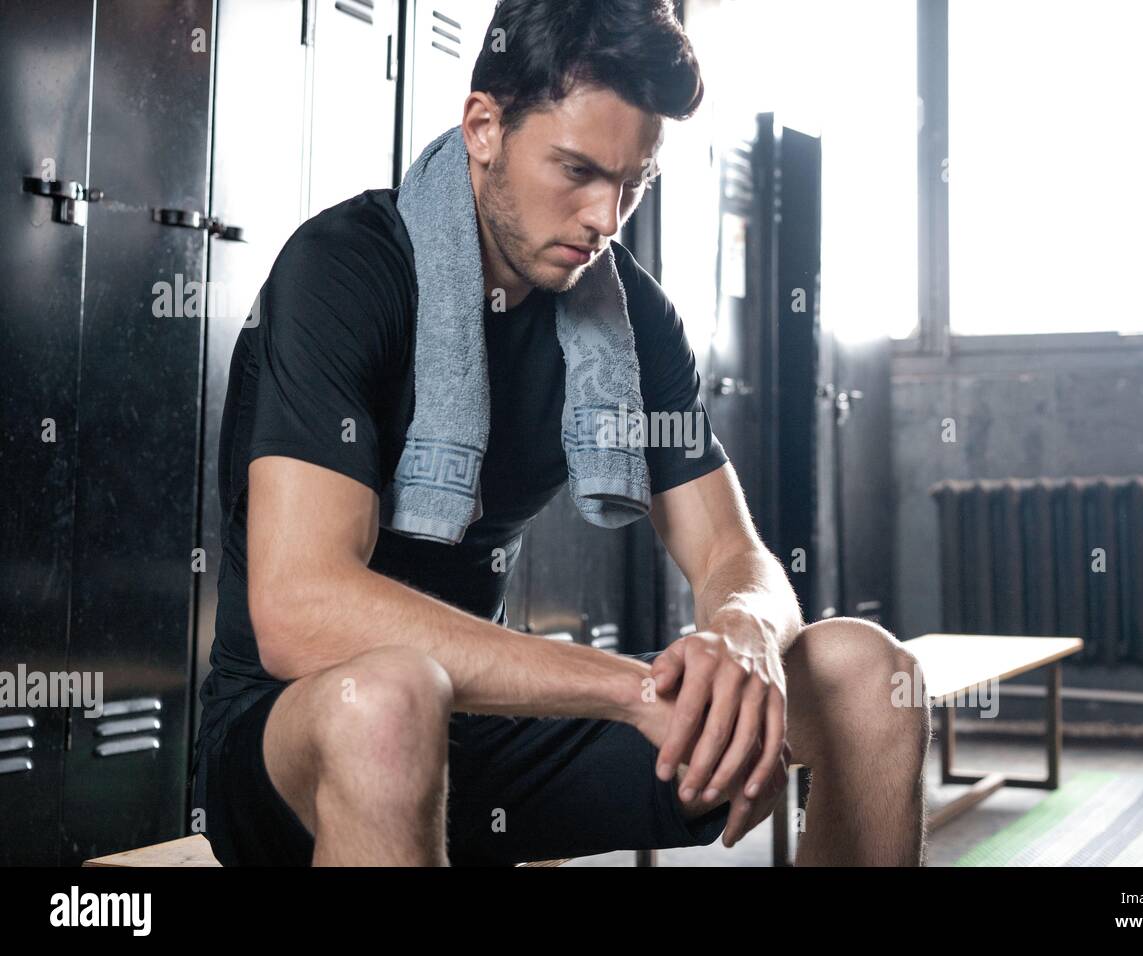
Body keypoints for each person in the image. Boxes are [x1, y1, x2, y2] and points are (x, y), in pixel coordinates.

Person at [190, 0, 930, 866]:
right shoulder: (346, 271)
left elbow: (736, 555)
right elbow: (299, 609)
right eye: (576, 171)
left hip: (493, 732)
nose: (604, 219)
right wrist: (628, 689)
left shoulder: (629, 319)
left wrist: (744, 633)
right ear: (483, 127)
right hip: (302, 736)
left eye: (631, 184)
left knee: (866, 677)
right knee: (389, 700)